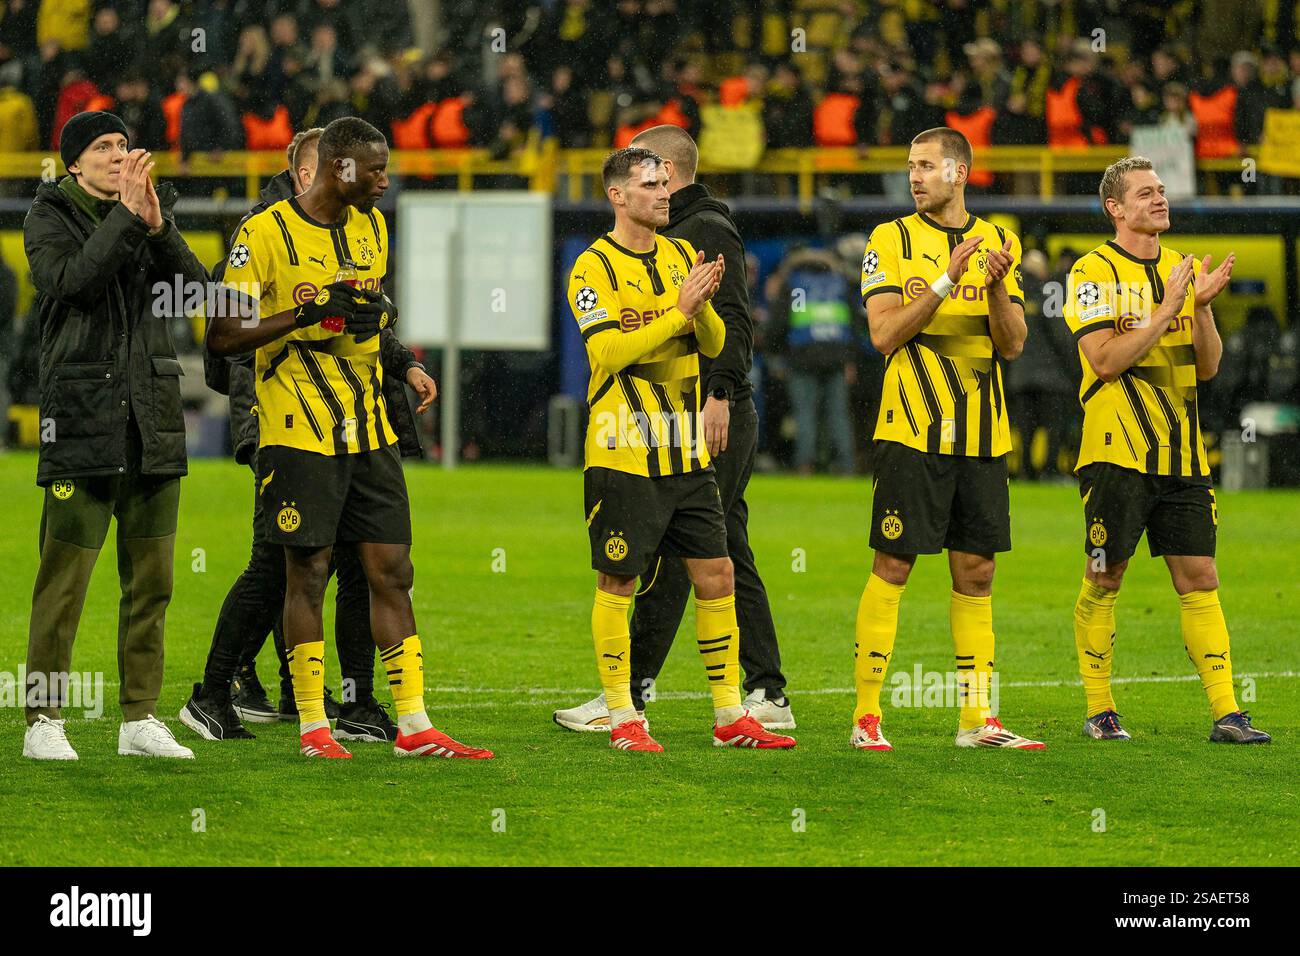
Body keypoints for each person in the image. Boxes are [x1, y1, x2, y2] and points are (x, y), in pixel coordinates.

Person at [206, 116, 491, 759]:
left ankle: (414, 725)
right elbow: (222, 336)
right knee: (304, 572)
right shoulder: (264, 232)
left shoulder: (372, 227)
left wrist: (396, 351)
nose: (386, 181)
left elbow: (367, 312)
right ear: (340, 168)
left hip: (368, 429)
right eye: (377, 169)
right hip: (296, 429)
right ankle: (313, 727)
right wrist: (307, 313)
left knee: (393, 569)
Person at [552, 126, 794, 734]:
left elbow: (718, 337)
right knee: (625, 575)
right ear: (617, 194)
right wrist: (677, 314)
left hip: (685, 443)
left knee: (717, 569)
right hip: (624, 443)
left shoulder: (687, 250)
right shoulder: (592, 264)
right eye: (649, 184)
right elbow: (606, 355)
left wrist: (702, 314)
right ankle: (625, 708)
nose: (663, 194)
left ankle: (733, 710)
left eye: (665, 182)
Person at [1062, 156, 1269, 744]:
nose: (1160, 199)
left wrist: (1200, 308)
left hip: (1182, 456)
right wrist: (1164, 311)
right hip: (1115, 454)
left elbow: (1208, 367)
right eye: (1145, 193)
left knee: (1200, 575)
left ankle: (1227, 713)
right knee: (1106, 574)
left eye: (1161, 190)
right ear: (1115, 209)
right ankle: (1100, 708)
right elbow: (1103, 360)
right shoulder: (1091, 272)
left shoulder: (1181, 268)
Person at [22, 110, 206, 760]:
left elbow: (194, 298)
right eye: (101, 146)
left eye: (124, 144)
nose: (116, 154)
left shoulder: (149, 215)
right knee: (62, 582)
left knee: (153, 582)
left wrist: (157, 226)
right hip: (80, 422)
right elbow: (73, 283)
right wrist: (128, 219)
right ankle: (43, 719)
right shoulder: (47, 217)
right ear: (74, 164)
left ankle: (139, 720)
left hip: (150, 422)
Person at [852, 127, 1043, 752]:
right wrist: (942, 282)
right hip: (911, 428)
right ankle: (867, 717)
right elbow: (883, 336)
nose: (915, 176)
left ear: (959, 172)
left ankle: (977, 721)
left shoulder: (1001, 241)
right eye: (911, 166)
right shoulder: (890, 240)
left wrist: (990, 287)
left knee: (977, 570)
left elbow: (1012, 344)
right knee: (895, 563)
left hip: (983, 436)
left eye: (927, 166)